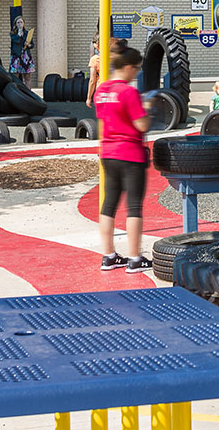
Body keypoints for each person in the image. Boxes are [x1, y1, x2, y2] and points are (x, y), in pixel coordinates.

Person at [93, 45, 153, 273]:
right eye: (136, 69)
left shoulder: (101, 91)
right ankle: (135, 259)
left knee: (108, 205)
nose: (136, 73)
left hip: (108, 153)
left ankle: (108, 256)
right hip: (130, 154)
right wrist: (147, 108)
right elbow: (141, 124)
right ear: (128, 67)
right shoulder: (129, 93)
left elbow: (104, 118)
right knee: (134, 207)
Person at [87, 32, 125, 108]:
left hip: (102, 91)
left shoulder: (95, 59)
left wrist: (89, 98)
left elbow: (92, 81)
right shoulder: (118, 58)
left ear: (97, 45)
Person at [9, 14, 36, 88]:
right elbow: (16, 41)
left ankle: (29, 94)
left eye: (21, 22)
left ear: (24, 23)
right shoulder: (13, 33)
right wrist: (19, 33)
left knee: (27, 77)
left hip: (25, 57)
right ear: (15, 24)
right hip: (16, 57)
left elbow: (32, 45)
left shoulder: (27, 33)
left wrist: (28, 45)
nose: (19, 24)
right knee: (15, 77)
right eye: (18, 22)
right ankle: (16, 93)